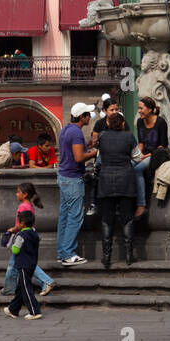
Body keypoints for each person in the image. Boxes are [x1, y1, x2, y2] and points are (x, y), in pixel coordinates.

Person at [95, 112, 141, 268]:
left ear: (108, 124)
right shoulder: (129, 137)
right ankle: (128, 255)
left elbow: (99, 157)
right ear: (122, 124)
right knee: (127, 218)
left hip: (106, 180)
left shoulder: (101, 136)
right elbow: (137, 157)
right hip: (126, 180)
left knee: (107, 219)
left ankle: (107, 256)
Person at [57, 102, 97, 266]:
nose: (90, 117)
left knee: (64, 217)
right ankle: (68, 254)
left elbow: (73, 150)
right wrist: (95, 152)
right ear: (82, 117)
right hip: (73, 179)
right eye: (88, 114)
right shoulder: (76, 133)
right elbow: (79, 158)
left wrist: (86, 146)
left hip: (63, 176)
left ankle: (61, 252)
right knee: (75, 217)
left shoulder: (66, 129)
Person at [0, 183, 55, 297]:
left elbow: (21, 223)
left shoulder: (22, 207)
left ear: (24, 194)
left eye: (18, 192)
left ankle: (46, 281)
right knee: (14, 263)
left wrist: (12, 230)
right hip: (29, 235)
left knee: (23, 263)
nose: (16, 194)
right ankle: (9, 288)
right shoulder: (30, 205)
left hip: (23, 236)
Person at [3, 208, 44, 319]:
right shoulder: (34, 234)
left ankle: (34, 310)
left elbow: (15, 250)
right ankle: (13, 309)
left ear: (22, 223)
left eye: (18, 222)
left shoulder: (21, 235)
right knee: (21, 287)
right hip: (32, 264)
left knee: (26, 288)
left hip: (23, 264)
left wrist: (12, 243)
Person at [133, 97, 166, 215]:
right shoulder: (140, 122)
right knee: (128, 165)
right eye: (138, 108)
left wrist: (146, 156)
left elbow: (162, 146)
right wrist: (139, 155)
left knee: (137, 169)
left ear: (150, 109)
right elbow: (141, 143)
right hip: (144, 154)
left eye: (141, 108)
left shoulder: (161, 122)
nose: (139, 111)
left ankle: (141, 204)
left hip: (156, 155)